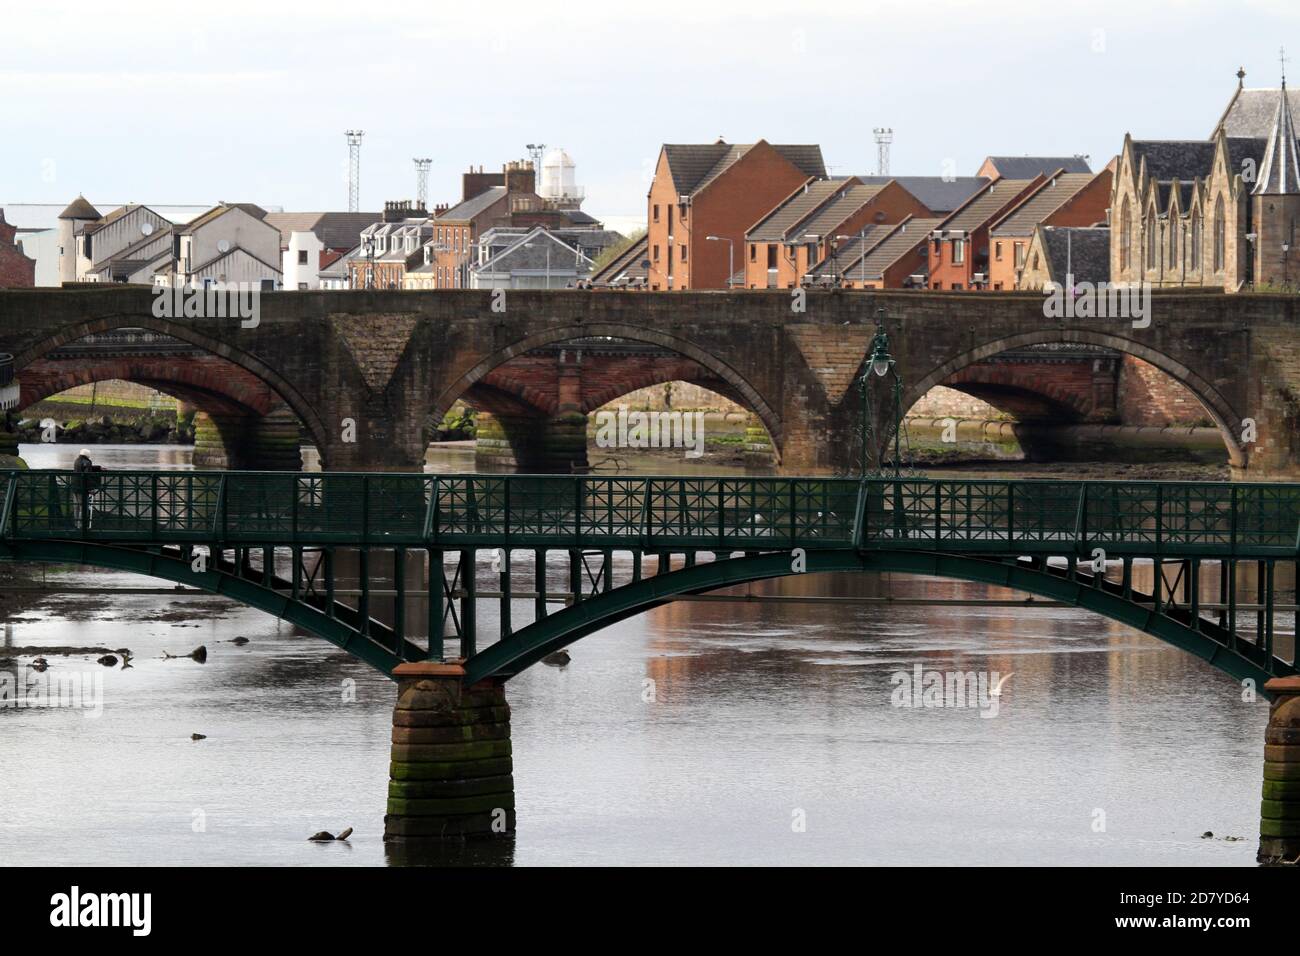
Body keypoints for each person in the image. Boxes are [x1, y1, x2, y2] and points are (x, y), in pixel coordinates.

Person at [72, 448, 100, 528]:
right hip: (82, 488)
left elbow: (82, 469)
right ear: (88, 455)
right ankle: (81, 526)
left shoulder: (76, 461)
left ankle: (76, 525)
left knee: (76, 507)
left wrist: (98, 468)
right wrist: (91, 489)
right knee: (83, 507)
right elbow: (87, 476)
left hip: (75, 486)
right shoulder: (87, 462)